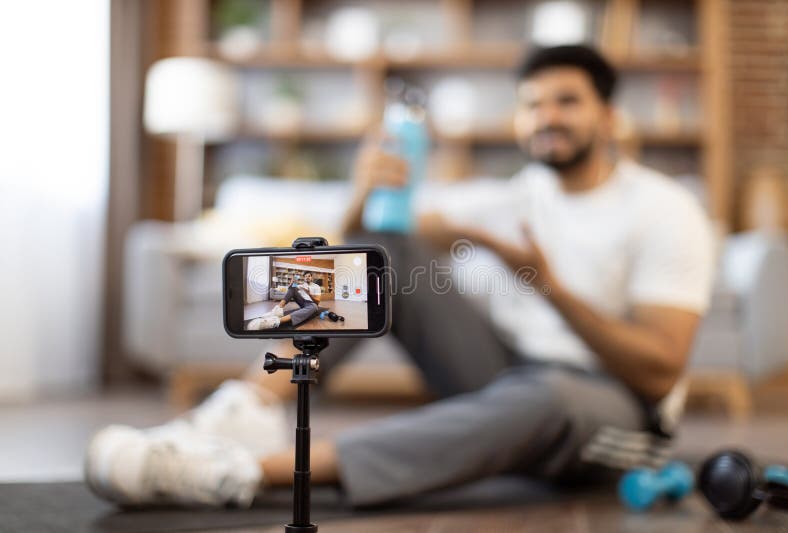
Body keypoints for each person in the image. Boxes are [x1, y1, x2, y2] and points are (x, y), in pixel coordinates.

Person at [85, 45, 713, 508]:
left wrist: (545, 284)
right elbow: (375, 239)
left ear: (607, 116)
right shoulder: (512, 199)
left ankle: (243, 471)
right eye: (532, 104)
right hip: (506, 375)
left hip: (614, 412)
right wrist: (363, 194)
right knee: (387, 250)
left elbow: (657, 371)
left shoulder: (666, 209)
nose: (547, 116)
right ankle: (249, 404)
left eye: (567, 101)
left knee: (547, 395)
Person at [247, 272, 322, 330]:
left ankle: (275, 322)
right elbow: (290, 289)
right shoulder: (302, 285)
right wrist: (292, 283)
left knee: (314, 307)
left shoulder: (316, 286)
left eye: (309, 276)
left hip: (312, 304)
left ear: (312, 278)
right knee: (293, 287)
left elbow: (317, 302)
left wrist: (309, 294)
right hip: (302, 302)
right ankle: (278, 310)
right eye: (305, 276)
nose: (307, 277)